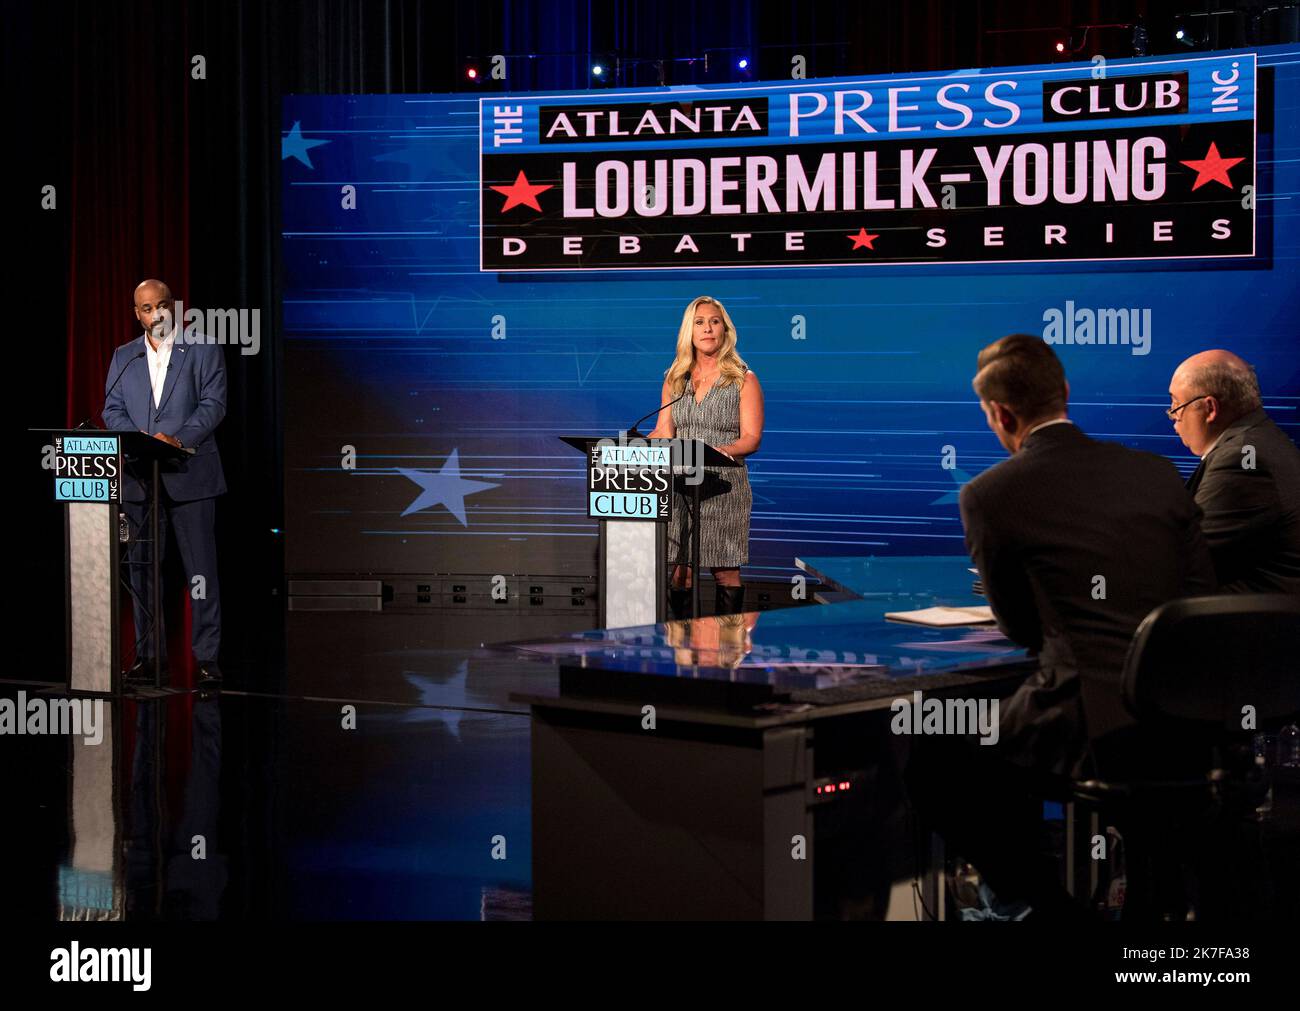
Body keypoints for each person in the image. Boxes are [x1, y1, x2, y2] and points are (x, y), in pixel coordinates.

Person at [906, 334, 1215, 919]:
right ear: (1065, 392)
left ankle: (1052, 910)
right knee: (1007, 731)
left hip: (1088, 723)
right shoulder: (1155, 473)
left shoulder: (990, 494)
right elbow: (1198, 598)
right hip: (1188, 720)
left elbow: (1022, 629)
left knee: (936, 763)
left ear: (999, 414)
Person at [102, 279, 227, 687]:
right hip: (141, 477)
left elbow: (214, 404)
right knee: (142, 571)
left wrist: (178, 439)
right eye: (145, 308)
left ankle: (207, 659)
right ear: (136, 313)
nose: (154, 314)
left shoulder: (203, 348)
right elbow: (112, 409)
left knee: (200, 572)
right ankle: (149, 656)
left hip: (191, 474)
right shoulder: (124, 357)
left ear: (172, 307)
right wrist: (139, 443)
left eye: (161, 305)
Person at [647, 296, 764, 617]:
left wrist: (716, 452)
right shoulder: (675, 378)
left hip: (723, 485)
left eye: (714, 322)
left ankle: (727, 650)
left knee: (724, 570)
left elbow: (751, 438)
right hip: (681, 485)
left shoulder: (743, 379)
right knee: (681, 571)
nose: (708, 328)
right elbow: (664, 431)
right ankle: (683, 648)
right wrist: (635, 446)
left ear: (725, 330)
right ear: (689, 331)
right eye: (699, 322)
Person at [1168, 349, 1300, 595]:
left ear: (1210, 409)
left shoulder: (1243, 461)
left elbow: (1184, 560)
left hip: (1253, 625)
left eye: (1177, 405)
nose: (1173, 417)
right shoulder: (1257, 439)